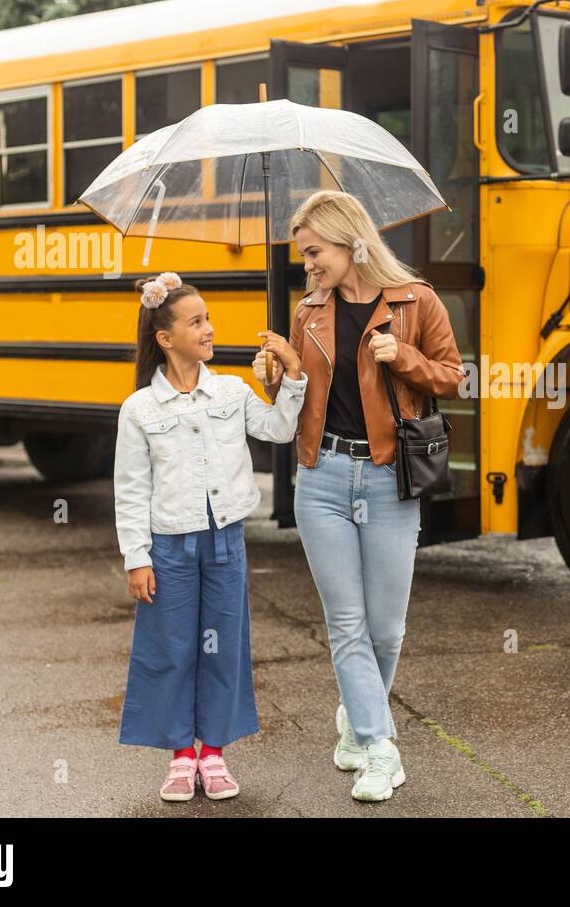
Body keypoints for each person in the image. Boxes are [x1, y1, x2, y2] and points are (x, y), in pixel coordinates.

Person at [261, 190, 464, 802]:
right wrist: (280, 372)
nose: (309, 266)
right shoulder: (308, 311)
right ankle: (381, 749)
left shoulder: (416, 301)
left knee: (386, 628)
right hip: (321, 477)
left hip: (387, 478)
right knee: (346, 624)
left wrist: (399, 355)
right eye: (303, 256)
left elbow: (454, 376)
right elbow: (295, 395)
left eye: (315, 252)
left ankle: (356, 719)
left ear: (350, 241)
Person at [113, 270, 306, 802]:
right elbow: (130, 490)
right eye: (196, 322)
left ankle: (214, 751)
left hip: (226, 541)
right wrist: (137, 557)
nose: (210, 329)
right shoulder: (141, 410)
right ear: (165, 338)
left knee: (224, 646)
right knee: (171, 647)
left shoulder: (230, 391)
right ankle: (180, 756)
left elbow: (279, 430)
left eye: (209, 319)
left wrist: (290, 377)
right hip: (168, 546)